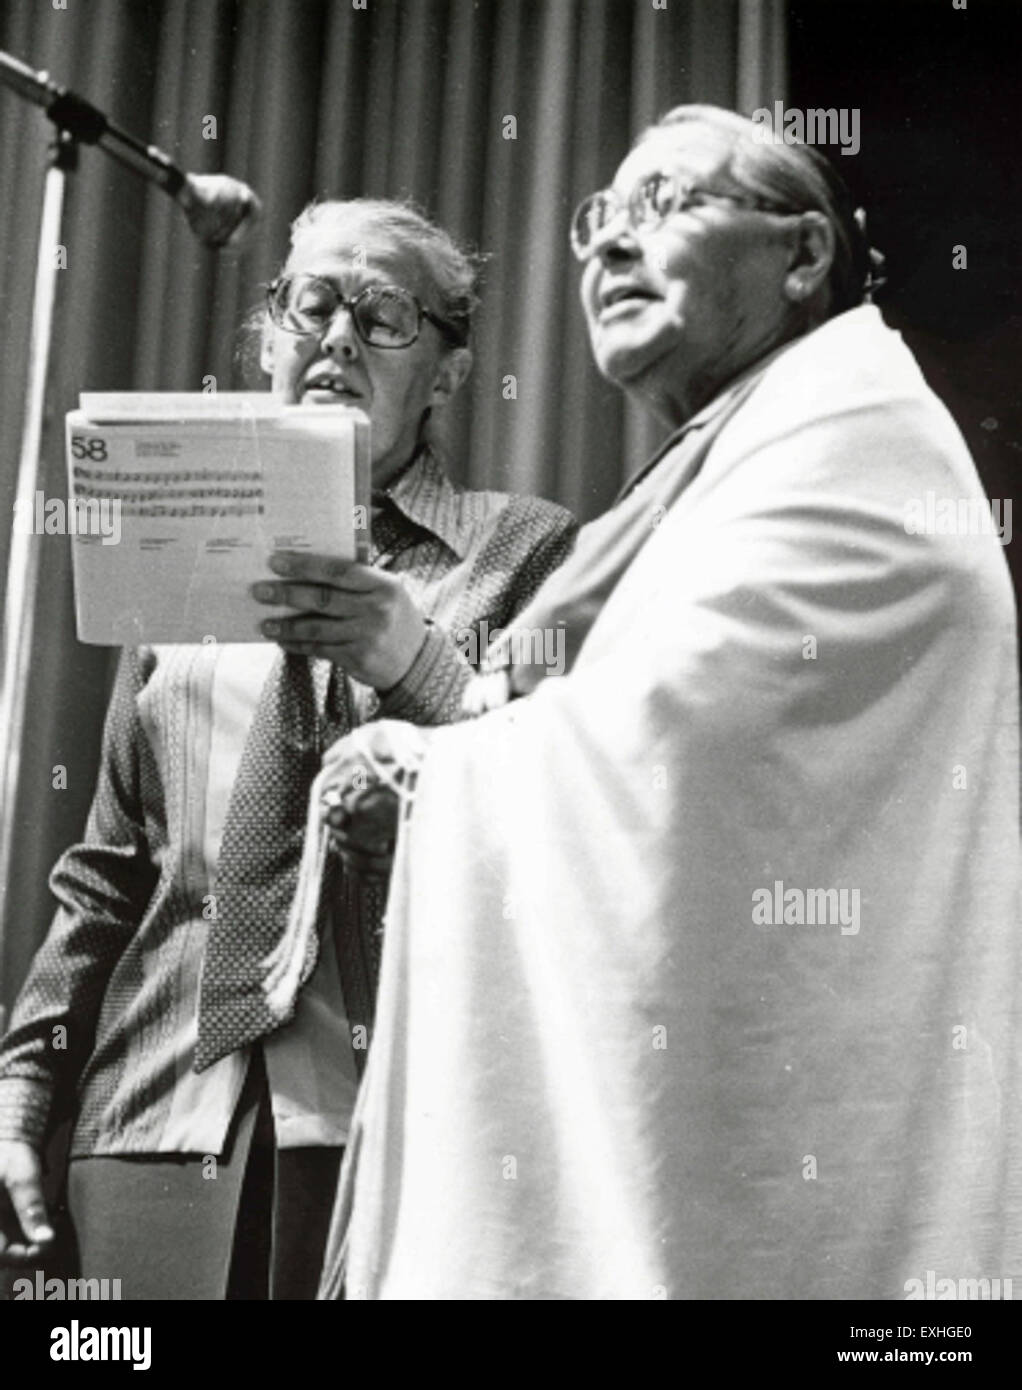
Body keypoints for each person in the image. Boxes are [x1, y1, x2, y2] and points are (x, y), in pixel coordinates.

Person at [315, 108, 1021, 1300]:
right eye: (596, 223)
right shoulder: (727, 458)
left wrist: (430, 775)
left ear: (800, 258)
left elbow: (679, 737)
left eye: (660, 208)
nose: (605, 249)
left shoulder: (853, 441)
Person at [0, 197, 576, 1299]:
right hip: (147, 1122)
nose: (338, 336)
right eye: (311, 304)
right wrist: (21, 1093)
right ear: (270, 338)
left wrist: (418, 666)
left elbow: (555, 820)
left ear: (449, 376)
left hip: (392, 1126)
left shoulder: (527, 551)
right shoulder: (173, 539)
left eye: (384, 314)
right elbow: (110, 873)